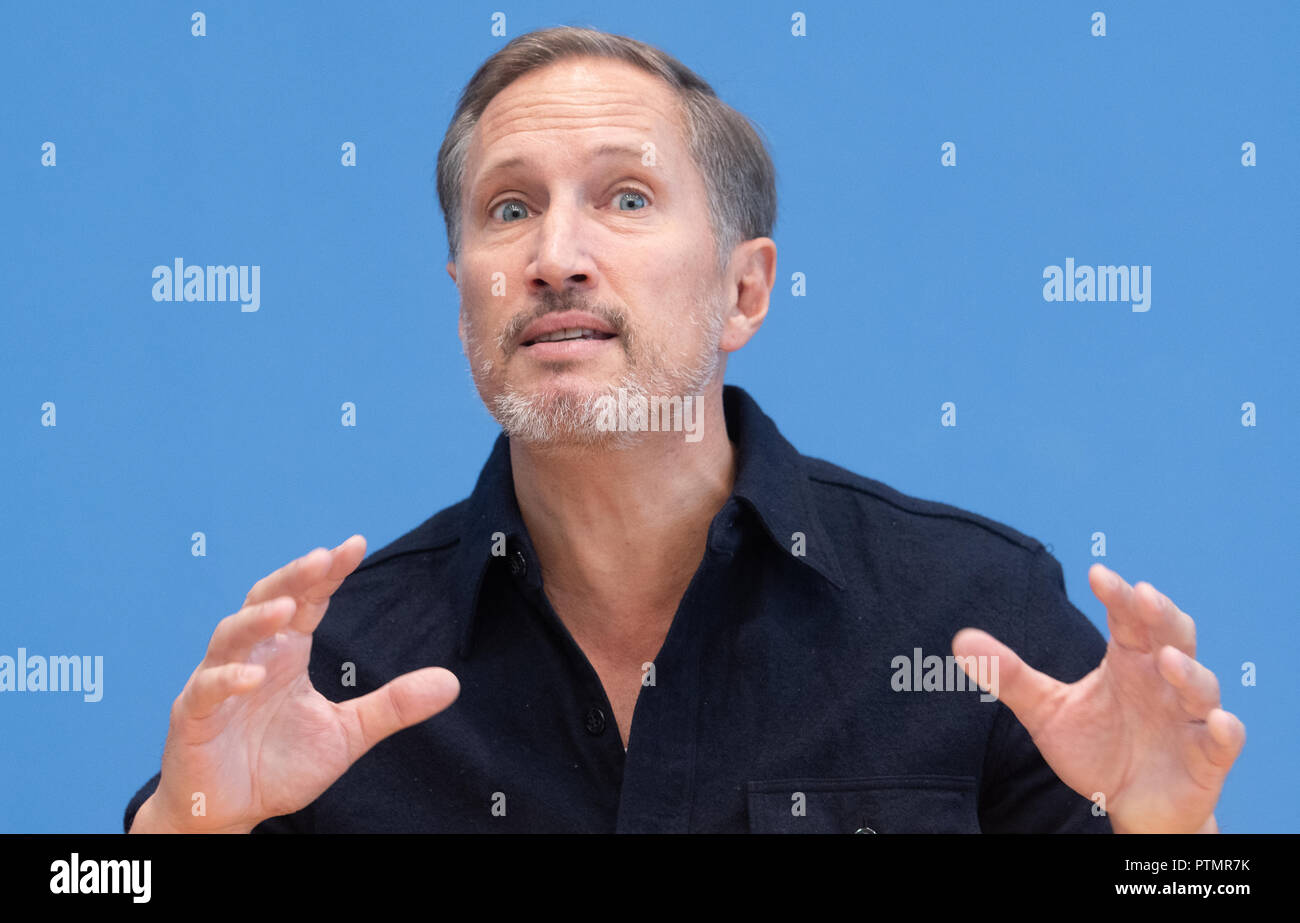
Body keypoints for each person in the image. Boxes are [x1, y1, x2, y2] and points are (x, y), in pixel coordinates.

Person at [124, 25, 1244, 834]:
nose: (554, 255)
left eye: (625, 198)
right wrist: (176, 831)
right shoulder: (333, 666)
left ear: (742, 293)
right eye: (508, 209)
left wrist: (1172, 853)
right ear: (462, 292)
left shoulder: (973, 618)